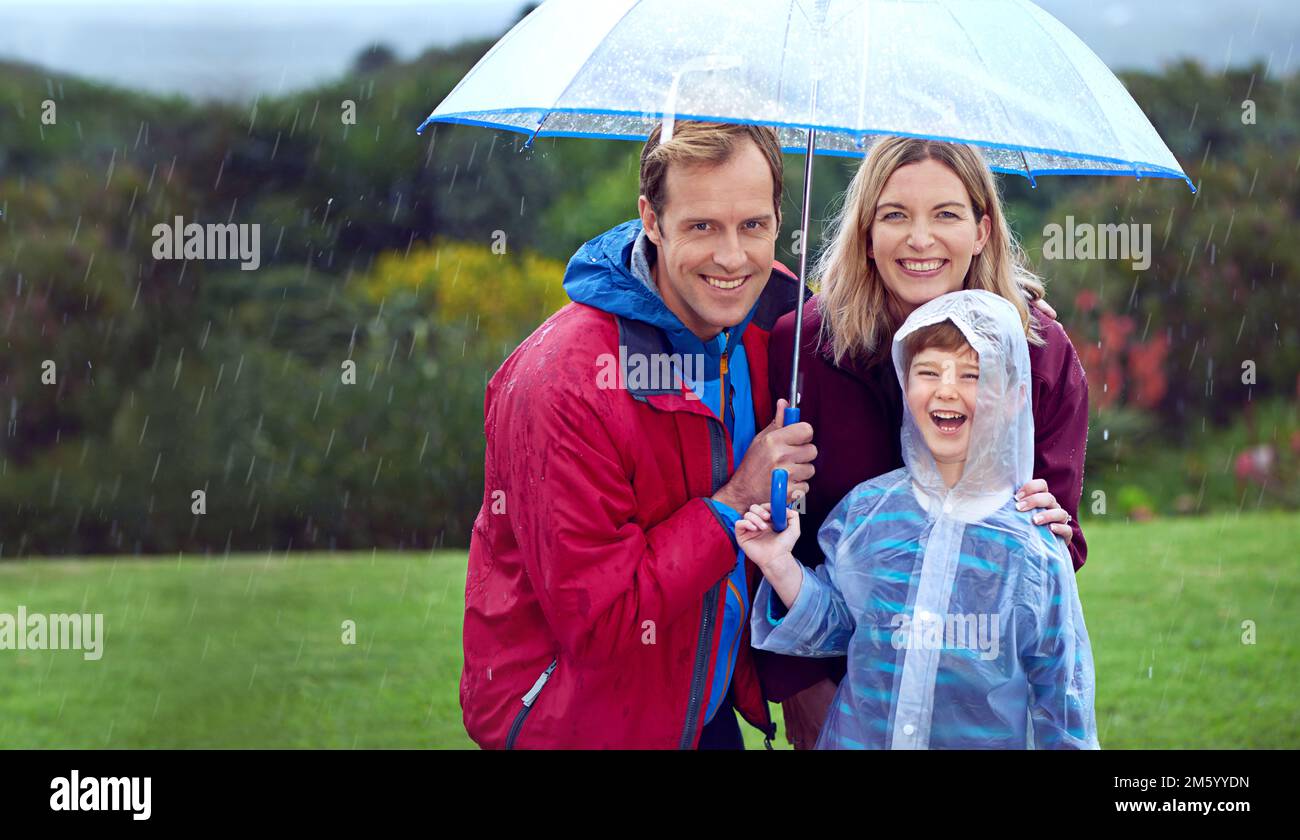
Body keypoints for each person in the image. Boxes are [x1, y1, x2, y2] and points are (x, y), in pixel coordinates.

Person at [460, 121, 817, 749]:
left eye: (753, 225)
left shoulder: (771, 323)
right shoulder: (563, 384)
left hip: (702, 713)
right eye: (702, 226)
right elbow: (603, 622)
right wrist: (736, 500)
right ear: (651, 219)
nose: (733, 258)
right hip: (580, 726)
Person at [760, 136, 1091, 748]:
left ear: (983, 229)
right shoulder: (802, 348)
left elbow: (1051, 549)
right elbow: (790, 533)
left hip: (975, 704)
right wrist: (801, 687)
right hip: (846, 693)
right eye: (894, 215)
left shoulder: (1035, 355)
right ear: (865, 232)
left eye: (946, 214)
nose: (920, 239)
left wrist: (1055, 528)